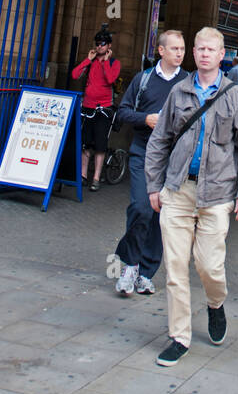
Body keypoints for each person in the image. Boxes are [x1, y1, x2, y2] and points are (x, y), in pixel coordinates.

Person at [145, 26, 238, 366]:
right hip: (178, 190)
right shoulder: (179, 92)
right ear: (194, 53)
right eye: (200, 49)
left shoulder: (235, 96)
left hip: (217, 195)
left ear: (222, 55)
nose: (204, 54)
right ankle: (179, 337)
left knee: (209, 266)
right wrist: (154, 185)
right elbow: (159, 142)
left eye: (211, 49)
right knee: (175, 268)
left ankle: (215, 303)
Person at [112, 29, 188, 296]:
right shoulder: (143, 79)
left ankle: (146, 272)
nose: (180, 53)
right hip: (143, 153)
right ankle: (129, 265)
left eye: (182, 49)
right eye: (175, 48)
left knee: (160, 217)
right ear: (161, 50)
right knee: (141, 207)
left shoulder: (188, 83)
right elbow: (122, 111)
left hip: (172, 158)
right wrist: (145, 119)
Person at [71, 27, 120, 190]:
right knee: (85, 144)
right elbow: (74, 74)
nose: (99, 47)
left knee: (100, 145)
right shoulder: (91, 62)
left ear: (109, 46)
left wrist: (105, 62)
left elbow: (111, 79)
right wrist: (87, 60)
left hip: (103, 109)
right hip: (88, 107)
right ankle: (83, 175)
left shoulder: (114, 63)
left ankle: (96, 177)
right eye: (97, 44)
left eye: (102, 44)